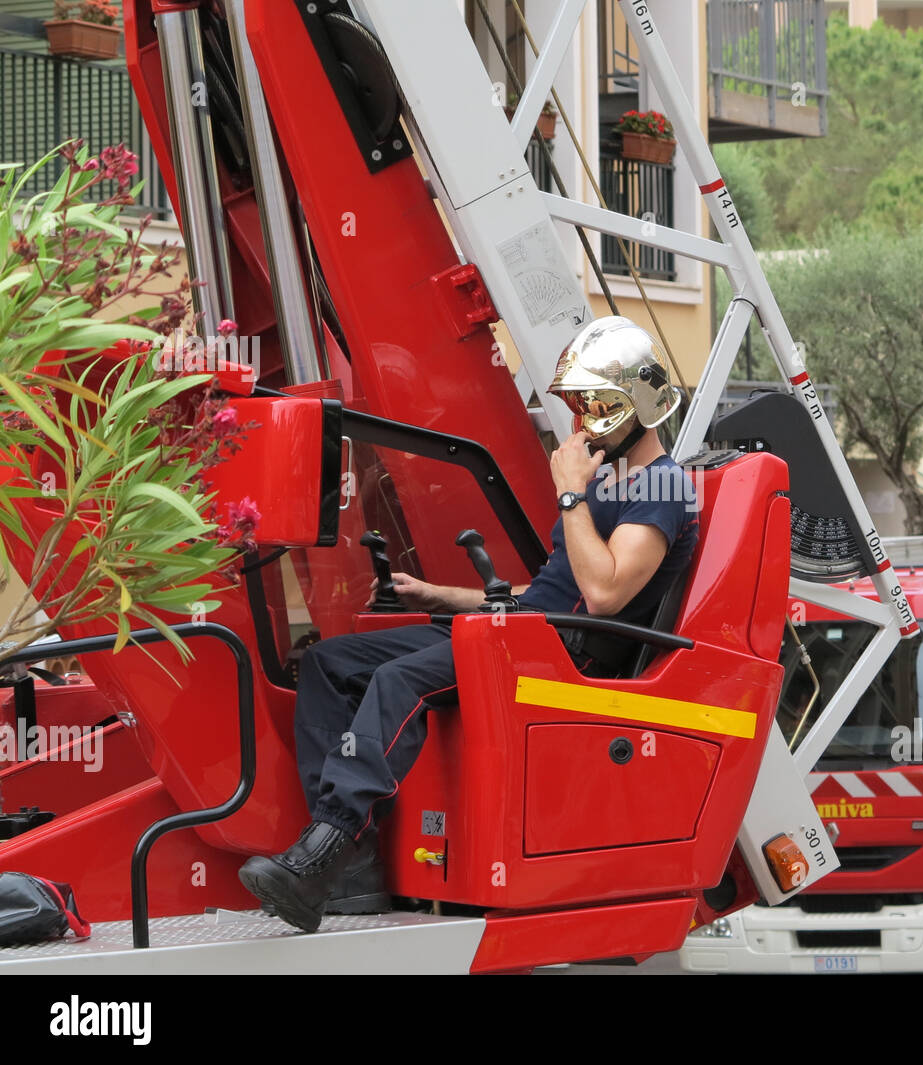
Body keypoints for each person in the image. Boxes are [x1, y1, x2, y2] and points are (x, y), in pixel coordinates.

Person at [239, 317, 699, 932]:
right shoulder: (611, 483)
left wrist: (570, 495)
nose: (579, 425)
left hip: (558, 654)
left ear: (631, 407)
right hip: (525, 632)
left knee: (401, 681)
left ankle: (326, 848)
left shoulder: (665, 486)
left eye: (591, 408)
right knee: (331, 662)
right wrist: (441, 594)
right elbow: (544, 596)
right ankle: (353, 859)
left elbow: (605, 593)